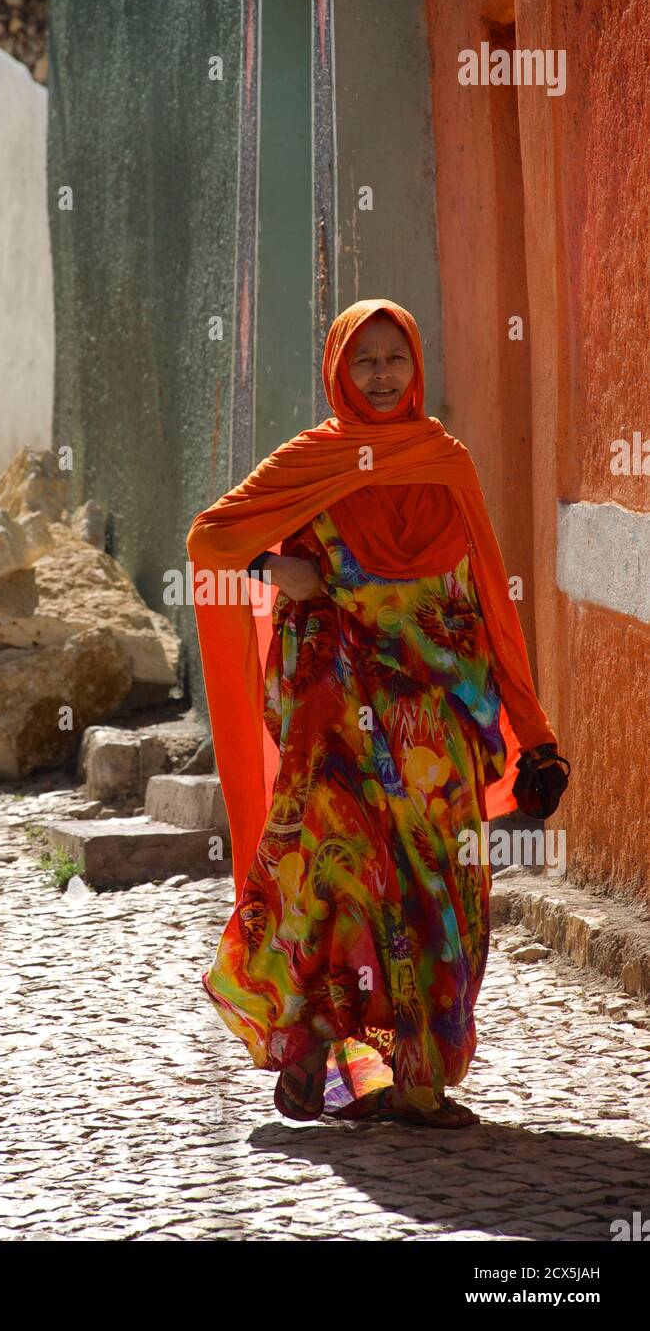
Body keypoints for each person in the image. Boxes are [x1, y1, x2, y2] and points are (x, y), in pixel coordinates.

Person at [186, 298, 565, 1128]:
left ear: (416, 366)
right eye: (366, 362)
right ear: (338, 372)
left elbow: (490, 601)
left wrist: (533, 731)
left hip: (439, 725)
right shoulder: (312, 460)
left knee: (440, 892)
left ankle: (419, 1081)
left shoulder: (445, 460)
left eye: (395, 358)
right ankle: (312, 1054)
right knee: (337, 887)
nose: (383, 375)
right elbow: (210, 538)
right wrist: (276, 570)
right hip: (339, 724)